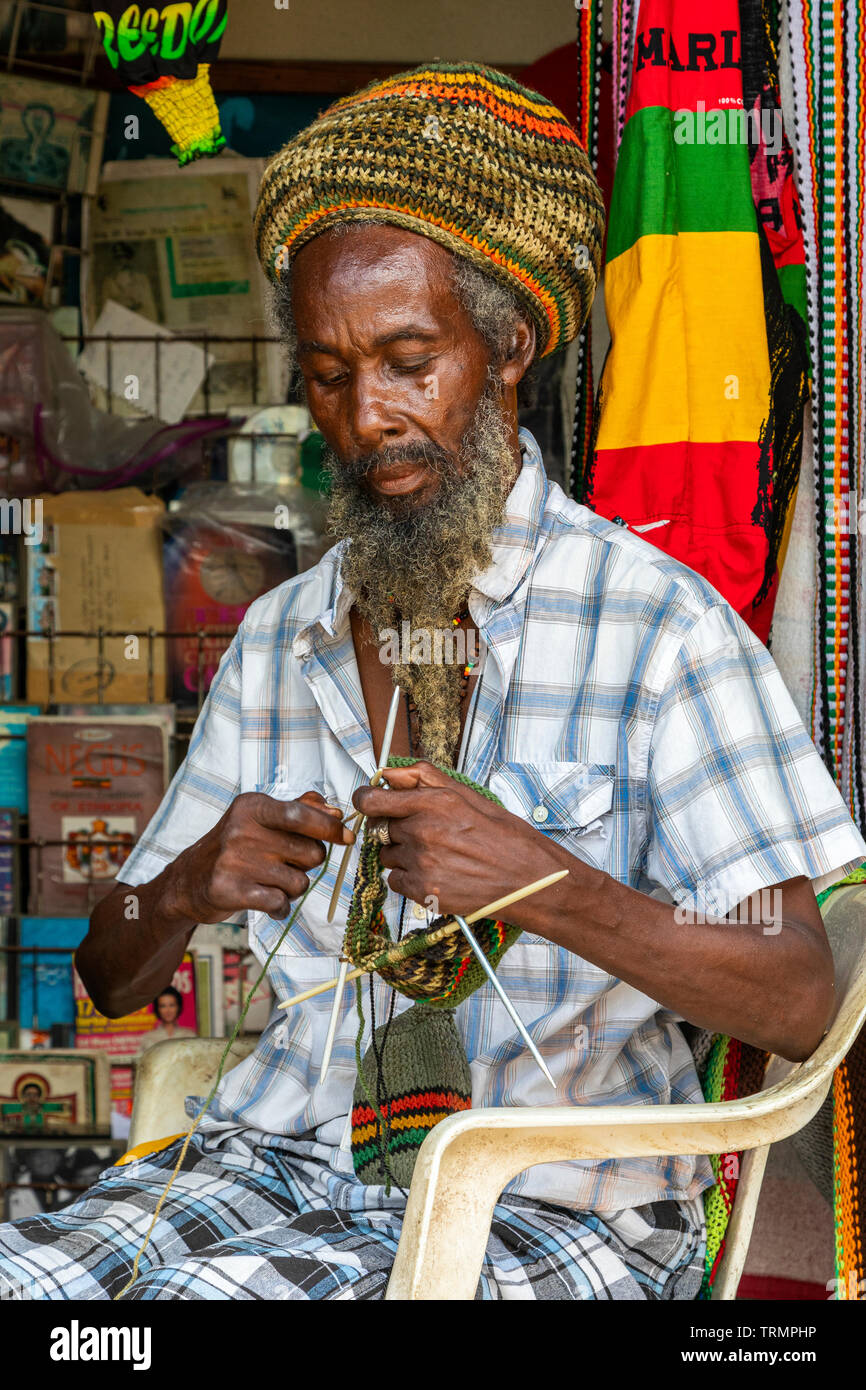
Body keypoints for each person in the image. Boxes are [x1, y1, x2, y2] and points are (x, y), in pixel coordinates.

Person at [0, 61, 864, 1303]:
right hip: (266, 1166)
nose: (369, 415)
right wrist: (188, 883)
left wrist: (543, 883)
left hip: (547, 1205)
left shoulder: (657, 630)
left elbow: (793, 990)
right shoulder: (280, 634)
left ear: (506, 348)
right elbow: (109, 973)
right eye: (329, 372)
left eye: (410, 358)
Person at [136, 985, 196, 1056]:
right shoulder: (148, 1038)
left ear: (178, 1007)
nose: (168, 1010)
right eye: (163, 1006)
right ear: (157, 1009)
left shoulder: (189, 1036)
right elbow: (140, 1064)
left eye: (172, 1005)